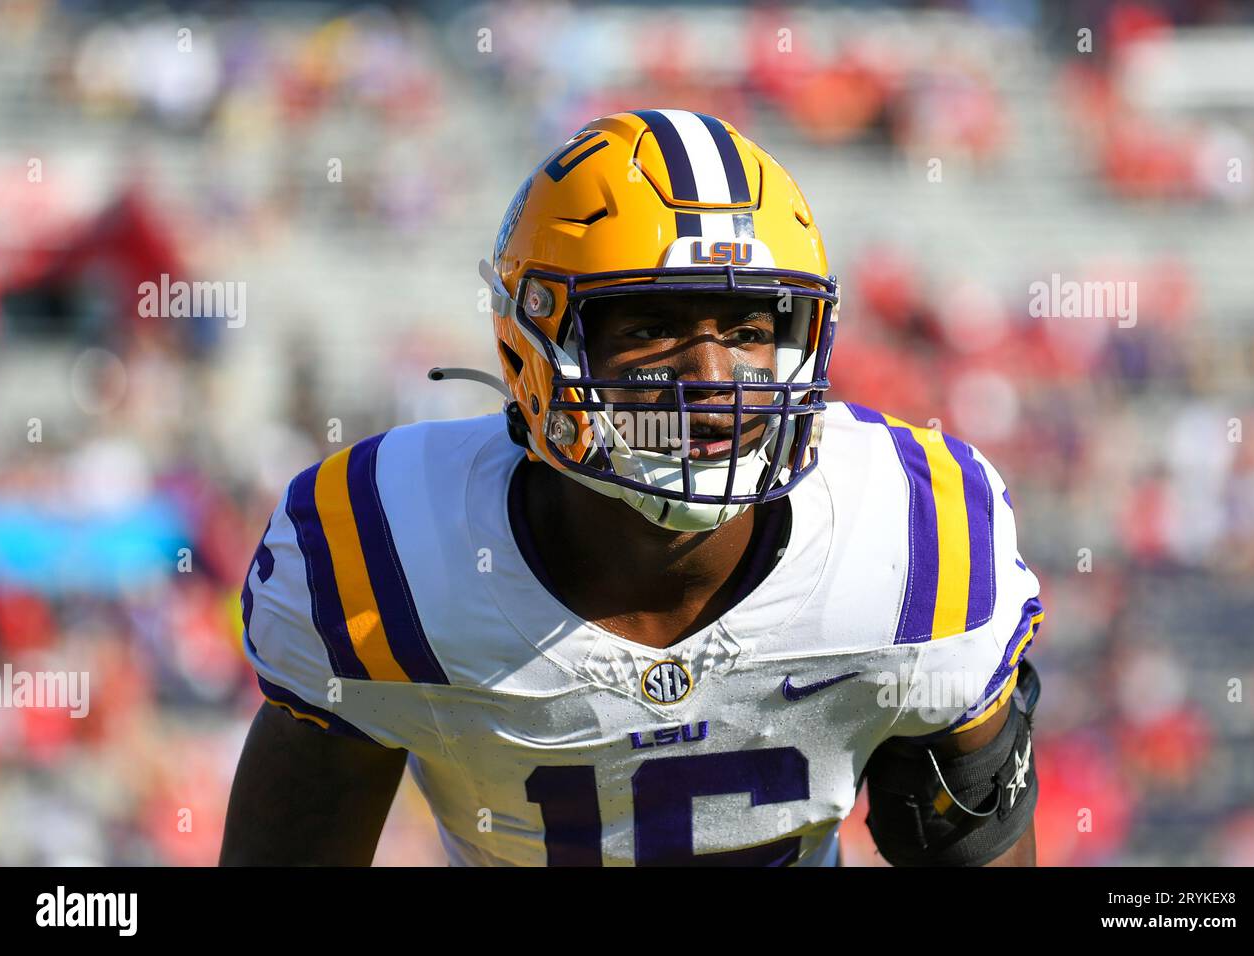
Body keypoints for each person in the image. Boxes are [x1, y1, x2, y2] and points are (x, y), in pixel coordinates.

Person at [221, 110, 1043, 867]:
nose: (713, 380)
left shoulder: (915, 544)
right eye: (652, 327)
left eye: (751, 331)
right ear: (528, 349)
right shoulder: (386, 560)